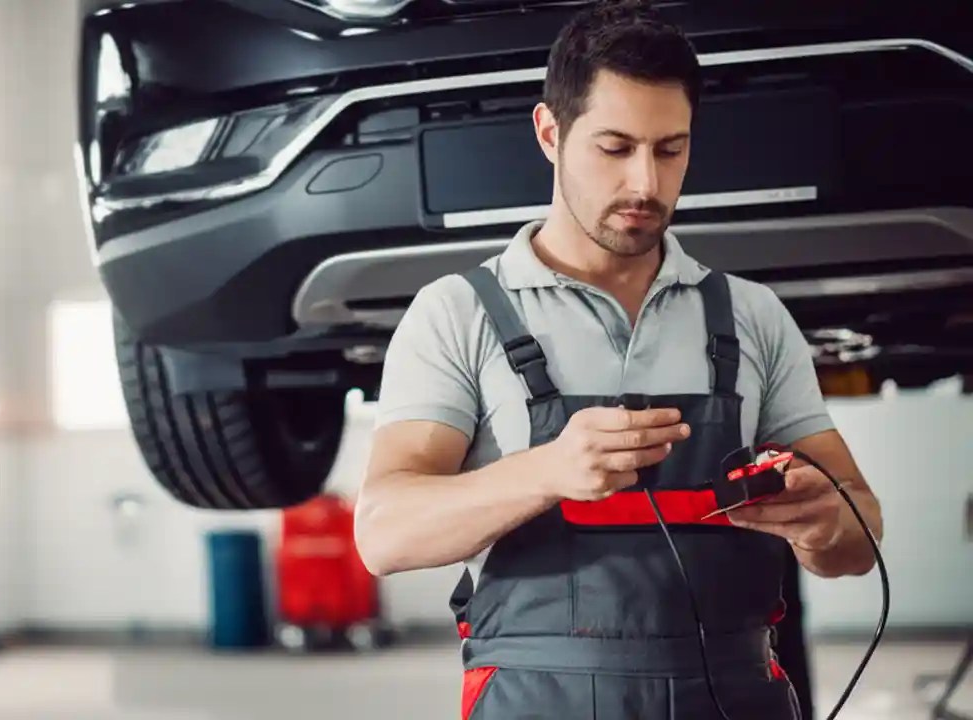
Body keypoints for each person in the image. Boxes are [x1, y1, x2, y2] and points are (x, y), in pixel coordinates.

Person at [353, 1, 885, 718]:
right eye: (614, 147)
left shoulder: (751, 317)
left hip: (736, 696)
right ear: (550, 132)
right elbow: (384, 533)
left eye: (671, 150)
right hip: (541, 699)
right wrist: (547, 471)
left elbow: (860, 533)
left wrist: (826, 527)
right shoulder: (459, 313)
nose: (645, 184)